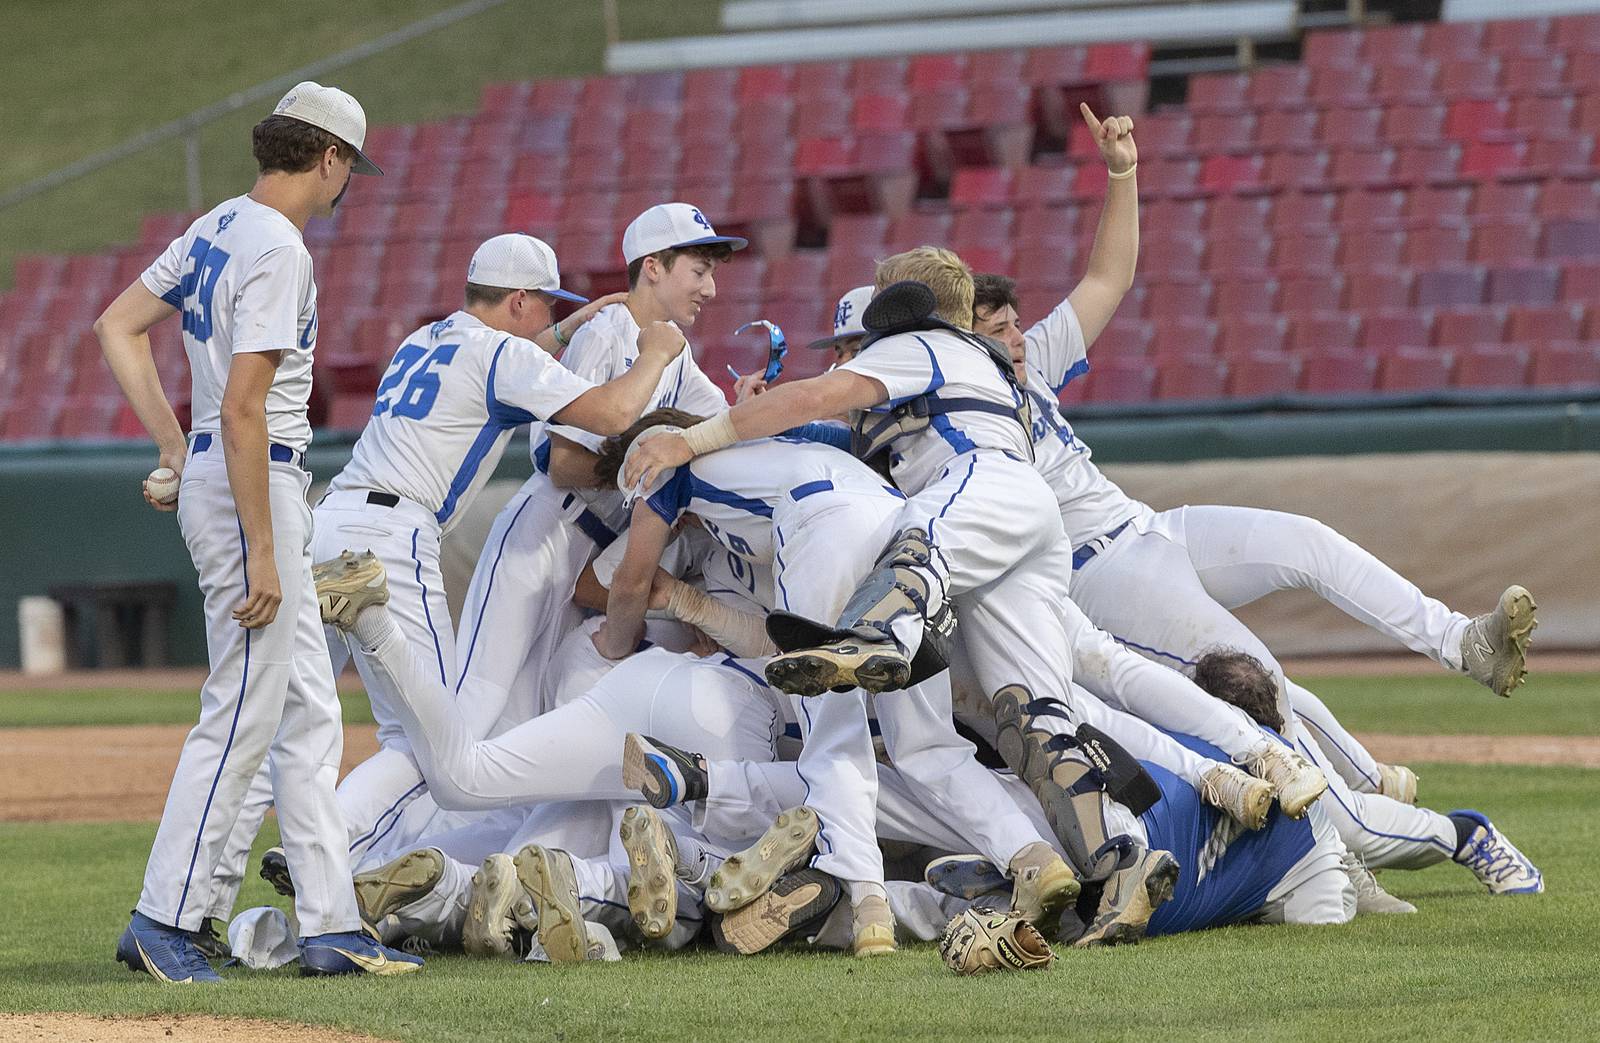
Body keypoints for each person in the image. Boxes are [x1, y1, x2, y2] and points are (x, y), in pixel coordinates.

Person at [93, 82, 420, 980]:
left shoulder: (216, 225)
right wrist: (266, 550)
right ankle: (165, 917)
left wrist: (174, 444)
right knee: (241, 710)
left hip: (227, 468)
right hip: (253, 480)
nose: (347, 182)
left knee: (309, 709)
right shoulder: (279, 245)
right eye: (348, 165)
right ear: (329, 157)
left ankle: (330, 923)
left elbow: (117, 326)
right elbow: (244, 408)